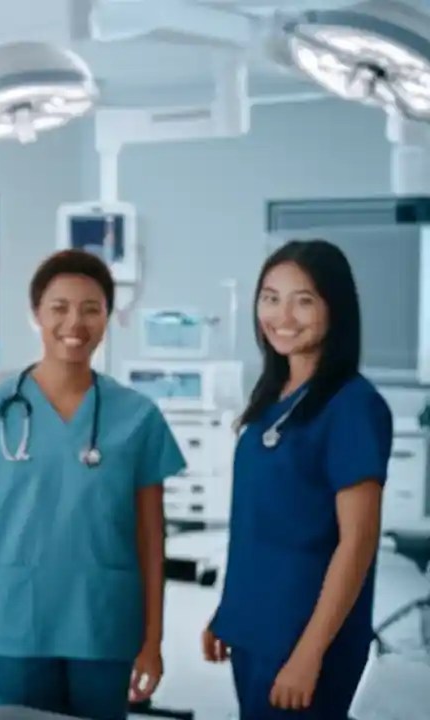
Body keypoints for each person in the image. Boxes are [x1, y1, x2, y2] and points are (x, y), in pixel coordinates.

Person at [0, 250, 185, 720]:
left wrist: (152, 641)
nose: (75, 321)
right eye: (60, 307)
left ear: (108, 317)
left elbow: (152, 539)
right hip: (13, 629)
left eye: (91, 308)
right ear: (37, 314)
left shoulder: (138, 418)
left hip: (104, 626)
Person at [203, 239, 390, 718]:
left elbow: (358, 541)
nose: (282, 315)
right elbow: (259, 524)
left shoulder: (352, 406)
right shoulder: (273, 397)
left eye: (303, 300)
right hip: (256, 628)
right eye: (270, 297)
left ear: (336, 309)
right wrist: (230, 612)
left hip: (305, 636)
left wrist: (309, 654)